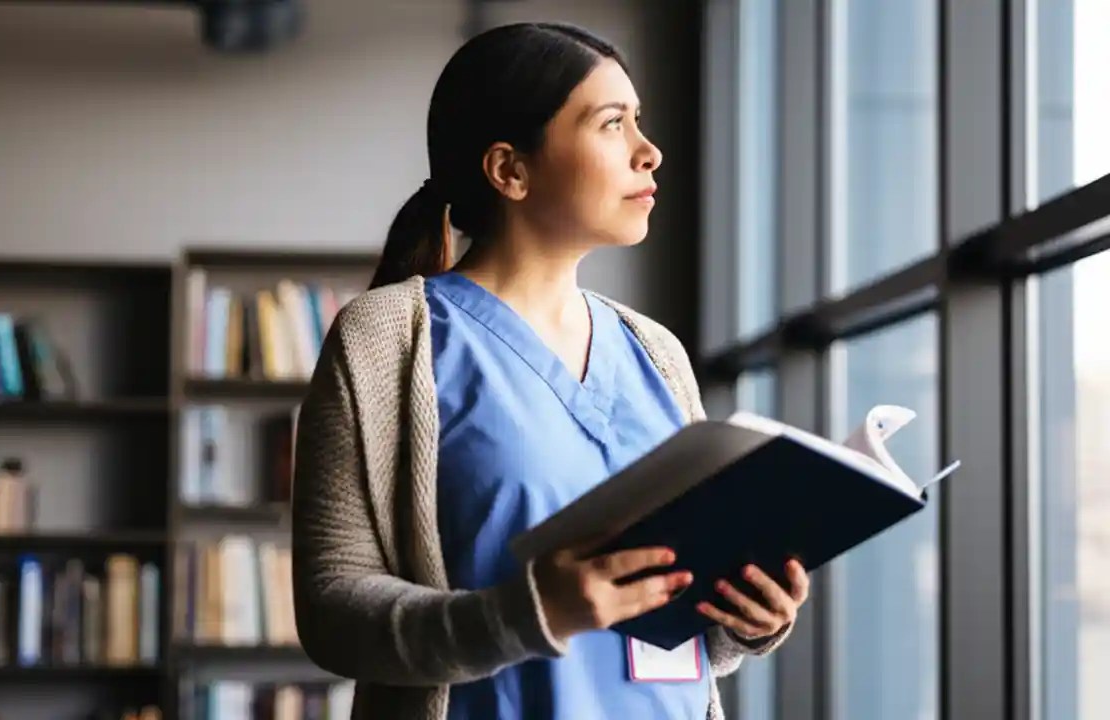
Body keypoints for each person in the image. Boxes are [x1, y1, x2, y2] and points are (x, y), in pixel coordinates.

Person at [291, 21, 809, 720]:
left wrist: (743, 620)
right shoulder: (387, 337)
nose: (650, 152)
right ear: (510, 170)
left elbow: (678, 625)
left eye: (638, 122)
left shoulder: (656, 351)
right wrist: (530, 615)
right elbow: (332, 610)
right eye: (612, 124)